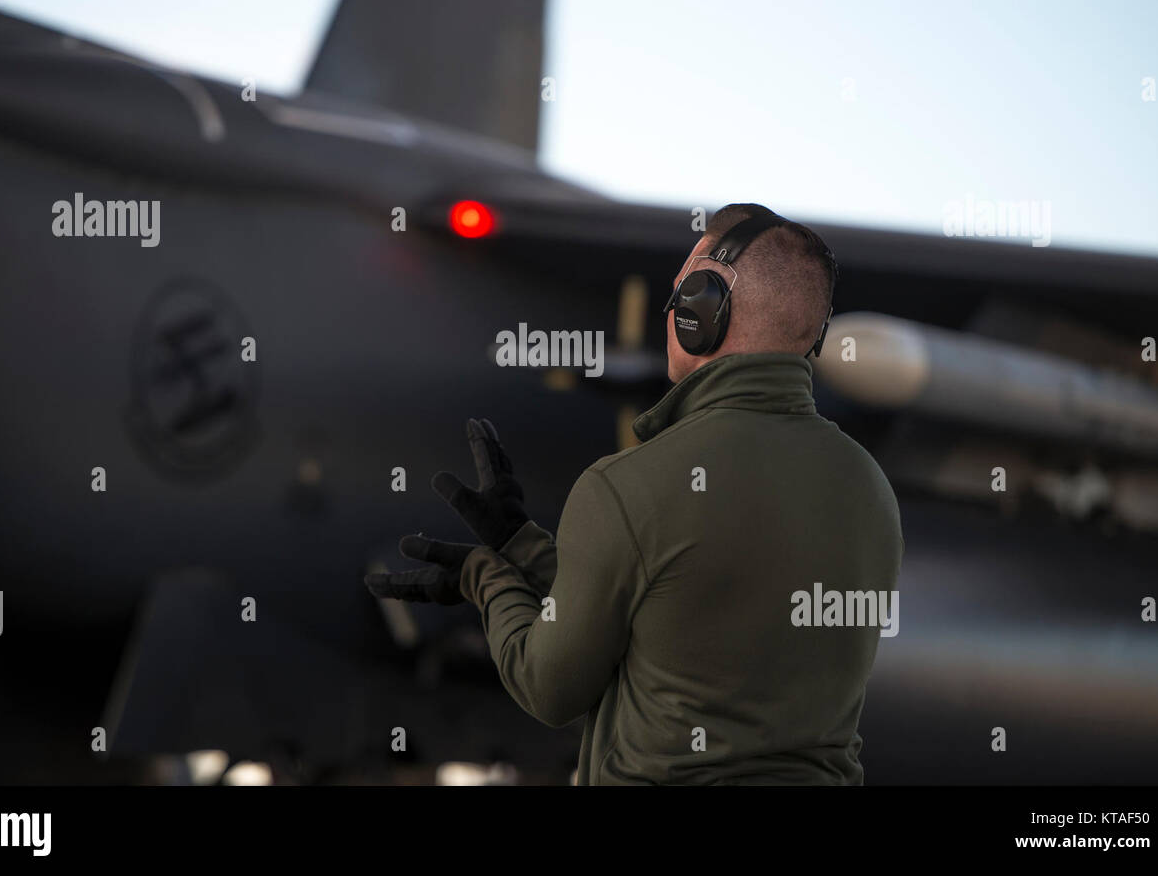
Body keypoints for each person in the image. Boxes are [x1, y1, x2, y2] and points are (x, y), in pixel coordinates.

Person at [365, 202, 904, 784]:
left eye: (680, 295)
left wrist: (484, 577)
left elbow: (549, 687)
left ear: (706, 307)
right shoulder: (868, 485)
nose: (670, 312)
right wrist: (521, 546)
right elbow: (671, 610)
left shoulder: (628, 484)